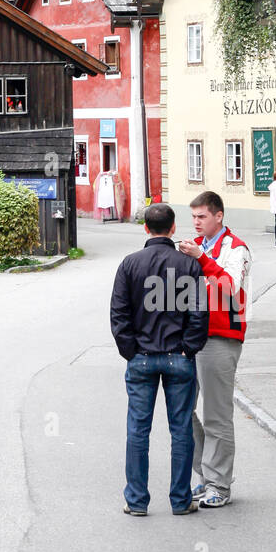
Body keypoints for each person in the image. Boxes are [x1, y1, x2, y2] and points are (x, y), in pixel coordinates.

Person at [110, 203, 209, 517]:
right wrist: (188, 348)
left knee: (138, 430)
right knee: (181, 430)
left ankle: (137, 500)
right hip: (178, 356)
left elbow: (119, 314)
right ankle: (180, 500)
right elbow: (199, 313)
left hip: (141, 357)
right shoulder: (189, 265)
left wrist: (130, 350)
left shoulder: (129, 264)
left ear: (145, 228)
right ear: (173, 227)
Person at [178, 191, 252, 509]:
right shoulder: (195, 246)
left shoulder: (236, 248)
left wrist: (201, 259)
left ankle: (219, 484)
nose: (196, 222)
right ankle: (206, 475)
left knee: (216, 415)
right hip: (191, 337)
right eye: (193, 217)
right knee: (182, 410)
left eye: (202, 216)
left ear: (218, 216)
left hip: (221, 336)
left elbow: (230, 288)